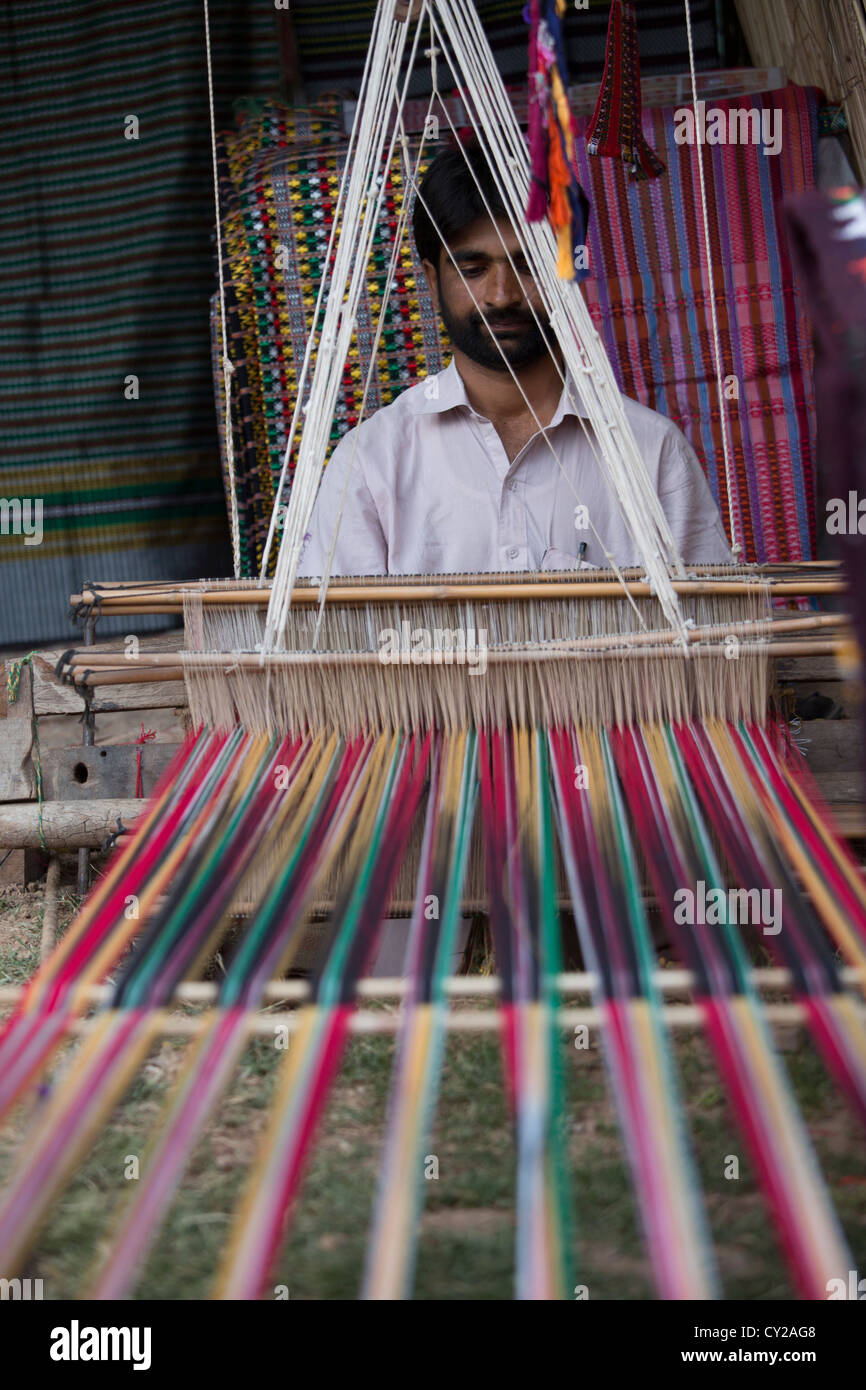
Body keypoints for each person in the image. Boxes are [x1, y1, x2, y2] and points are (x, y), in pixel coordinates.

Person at [298, 138, 732, 578]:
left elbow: (714, 633)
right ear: (432, 280)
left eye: (528, 266)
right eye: (473, 270)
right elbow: (331, 640)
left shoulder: (651, 454)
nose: (502, 295)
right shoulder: (372, 463)